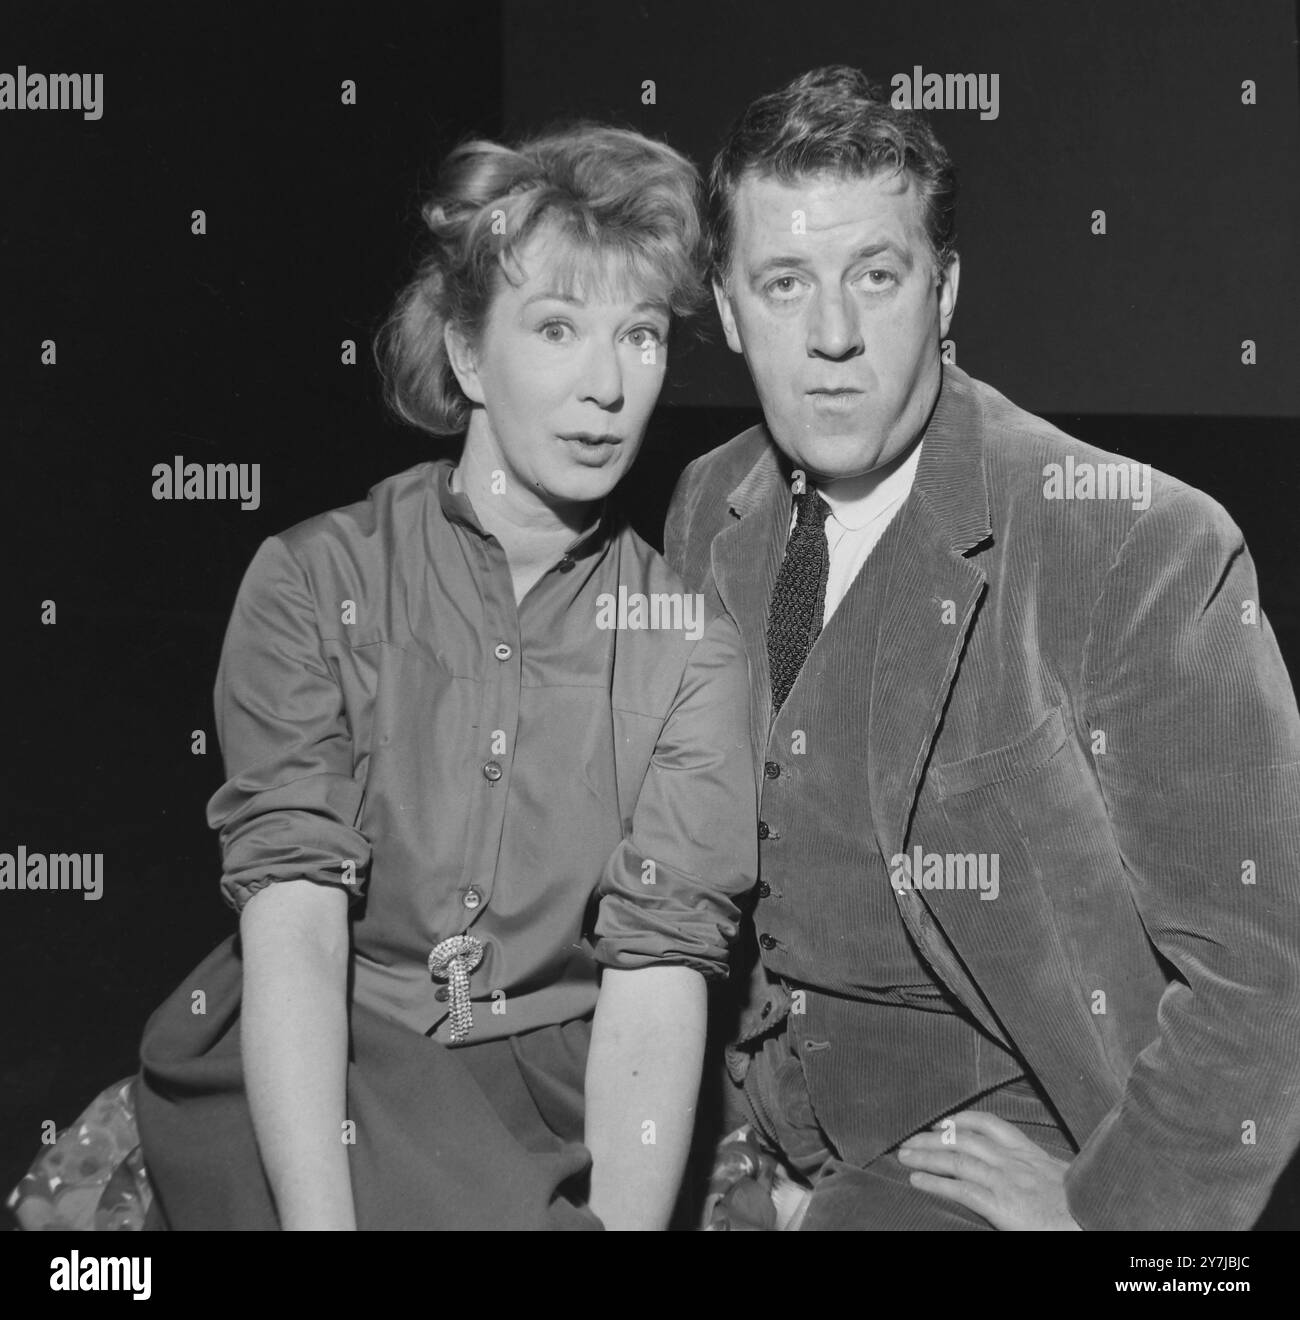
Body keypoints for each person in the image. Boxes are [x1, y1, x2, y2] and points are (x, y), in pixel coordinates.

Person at [667, 66, 1300, 1230]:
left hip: (981, 1150)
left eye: (876, 275)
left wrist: (1113, 1217)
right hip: (743, 1142)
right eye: (784, 283)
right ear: (723, 304)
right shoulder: (712, 507)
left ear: (944, 290)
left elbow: (1269, 962)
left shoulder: (1133, 543)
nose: (834, 336)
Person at [135, 123, 757, 1231]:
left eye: (643, 336)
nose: (608, 386)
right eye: (557, 328)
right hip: (311, 1058)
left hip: (542, 1096)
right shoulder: (309, 579)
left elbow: (659, 985)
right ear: (469, 355)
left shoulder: (691, 644)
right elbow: (297, 929)